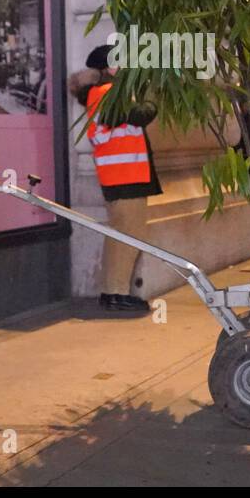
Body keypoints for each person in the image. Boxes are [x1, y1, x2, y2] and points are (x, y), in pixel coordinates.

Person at [70, 44, 161, 314]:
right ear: (110, 68)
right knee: (129, 235)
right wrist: (152, 91)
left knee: (123, 234)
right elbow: (143, 113)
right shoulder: (108, 94)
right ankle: (116, 293)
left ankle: (114, 291)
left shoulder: (103, 94)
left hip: (122, 175)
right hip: (125, 176)